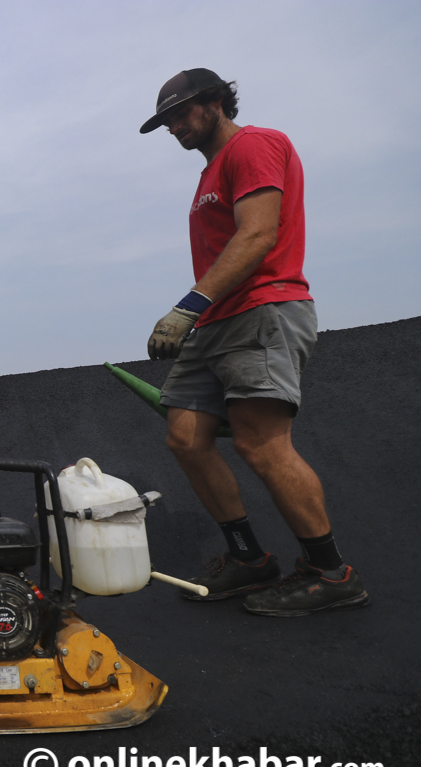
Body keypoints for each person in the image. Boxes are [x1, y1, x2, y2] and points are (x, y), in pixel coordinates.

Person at [140, 68, 368, 616]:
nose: (173, 127)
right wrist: (201, 312)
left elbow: (260, 234)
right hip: (217, 319)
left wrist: (186, 307)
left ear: (216, 102)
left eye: (181, 113)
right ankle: (248, 559)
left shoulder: (255, 145)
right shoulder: (209, 175)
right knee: (185, 436)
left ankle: (330, 571)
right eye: (165, 120)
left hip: (262, 308)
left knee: (261, 443)